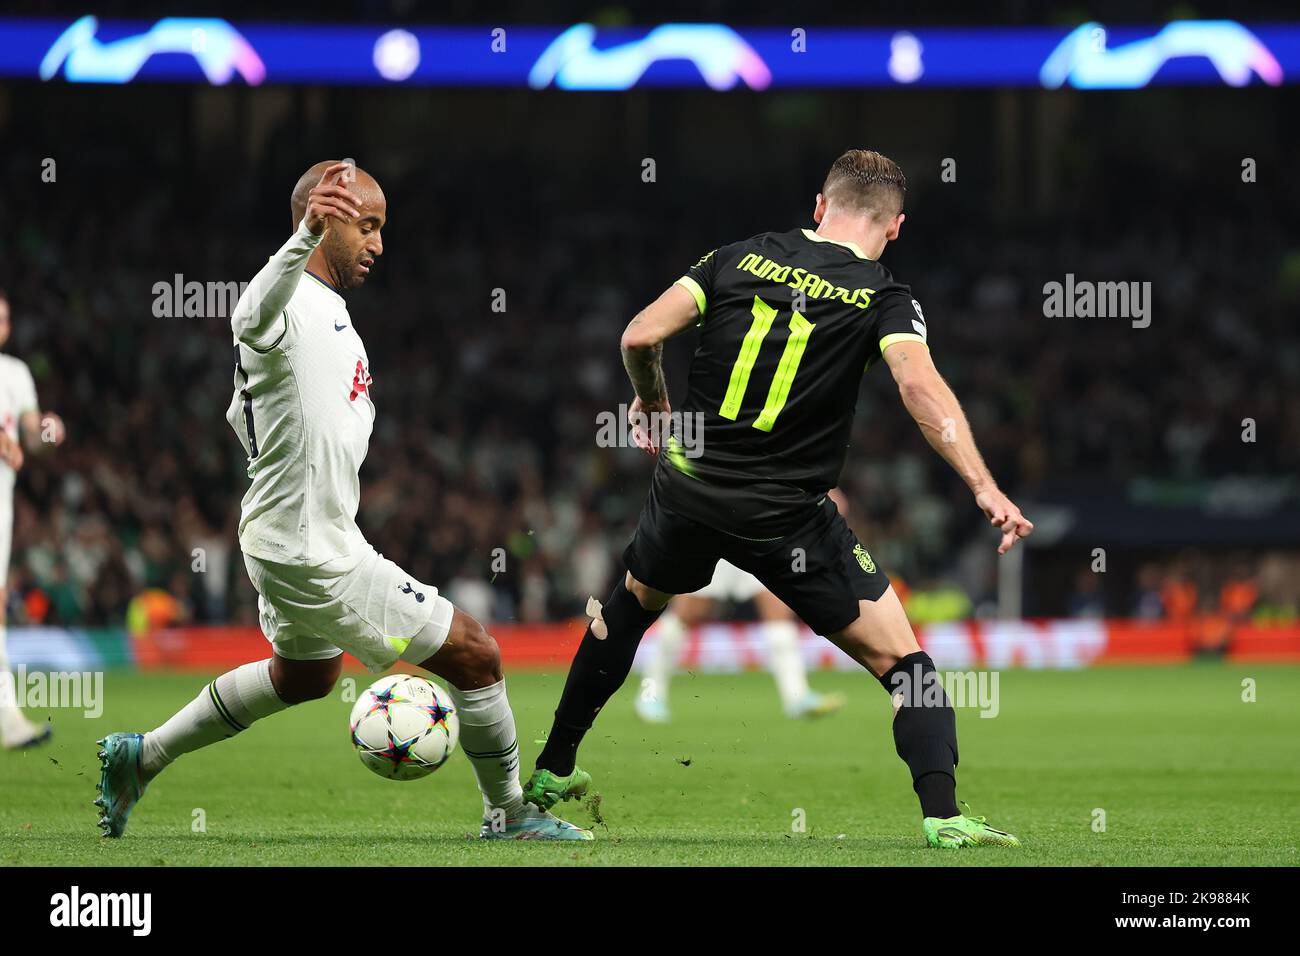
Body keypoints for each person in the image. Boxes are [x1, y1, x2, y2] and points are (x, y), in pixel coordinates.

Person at [525, 149, 1032, 848]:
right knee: (905, 665)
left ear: (820, 207)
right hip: (783, 514)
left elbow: (640, 333)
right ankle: (943, 815)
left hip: (689, 489)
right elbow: (919, 389)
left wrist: (652, 399)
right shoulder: (885, 298)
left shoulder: (737, 257)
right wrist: (983, 485)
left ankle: (552, 769)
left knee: (632, 606)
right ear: (895, 227)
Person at [95, 161, 589, 841]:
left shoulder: (330, 313)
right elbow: (248, 313)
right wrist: (301, 238)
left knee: (304, 677)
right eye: (368, 225)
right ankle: (508, 813)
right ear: (321, 220)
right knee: (478, 654)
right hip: (311, 549)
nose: (380, 243)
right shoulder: (285, 300)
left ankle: (140, 757)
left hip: (297, 536)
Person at [0, 289, 66, 749]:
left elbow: (30, 433)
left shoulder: (15, 373)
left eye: (3, 317)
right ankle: (7, 717)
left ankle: (7, 717)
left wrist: (48, 431)